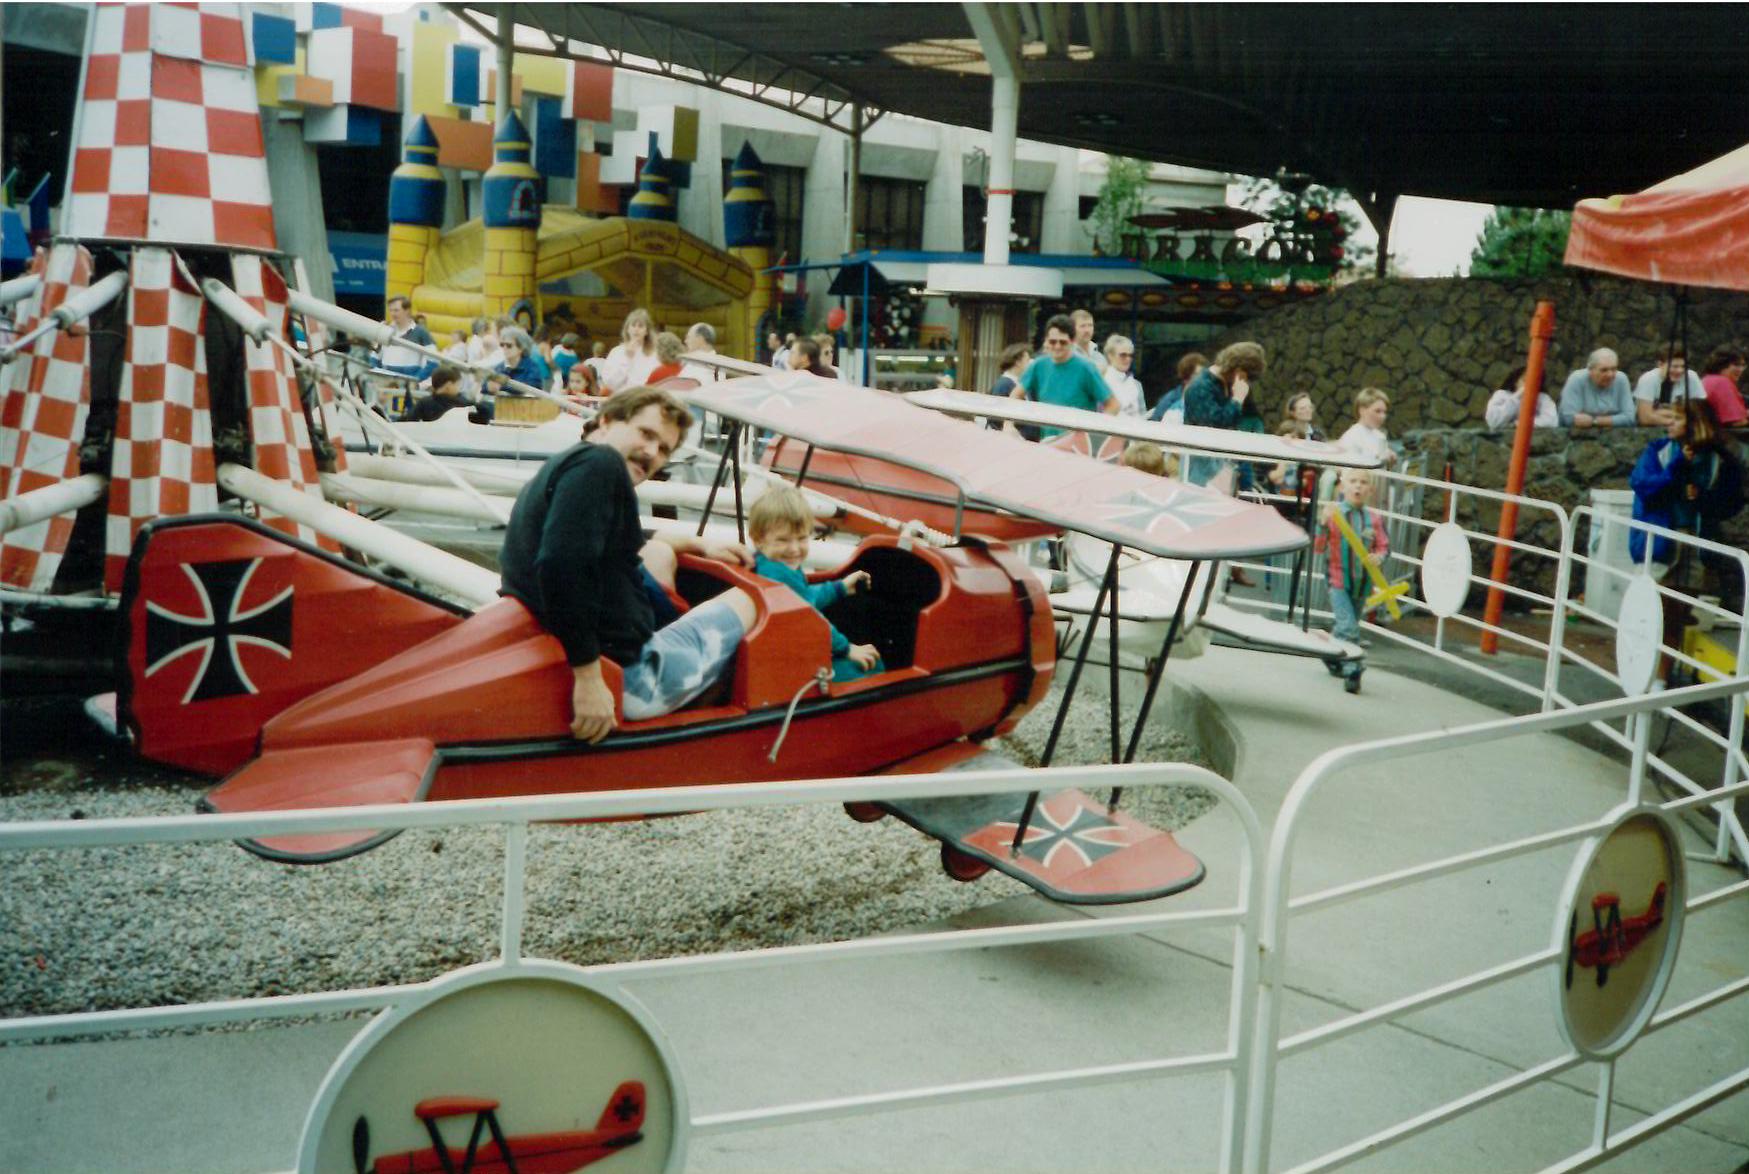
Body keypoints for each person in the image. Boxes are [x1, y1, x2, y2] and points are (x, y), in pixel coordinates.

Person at [498, 387, 758, 740]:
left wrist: (700, 544)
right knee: (750, 599)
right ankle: (709, 723)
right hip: (634, 678)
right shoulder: (602, 465)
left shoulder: (573, 463)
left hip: (580, 644)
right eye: (645, 433)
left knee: (660, 552)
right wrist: (589, 678)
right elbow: (561, 565)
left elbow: (615, 545)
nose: (652, 452)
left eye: (664, 448)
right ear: (606, 421)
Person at [1628, 398, 1745, 674]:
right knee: (1656, 611)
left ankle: (1662, 676)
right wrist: (1677, 467)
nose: (1669, 423)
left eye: (1676, 419)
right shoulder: (1659, 451)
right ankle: (1649, 672)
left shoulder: (1719, 460)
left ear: (1695, 425)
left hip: (1695, 540)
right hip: (1662, 542)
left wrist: (1702, 497)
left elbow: (1731, 501)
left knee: (1677, 613)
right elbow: (1645, 488)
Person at [748, 486, 882, 681]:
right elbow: (808, 618)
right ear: (759, 540)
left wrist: (840, 588)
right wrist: (846, 649)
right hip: (790, 668)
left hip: (780, 653)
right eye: (783, 540)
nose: (794, 549)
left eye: (801, 538)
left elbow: (804, 598)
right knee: (872, 665)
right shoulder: (777, 575)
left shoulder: (766, 563)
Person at [1313, 468, 1388, 694]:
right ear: (1342, 486)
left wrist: (1379, 556)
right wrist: (1323, 524)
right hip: (1338, 579)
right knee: (1348, 627)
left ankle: (1331, 656)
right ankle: (1352, 669)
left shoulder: (1374, 519)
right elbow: (1318, 547)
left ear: (1370, 489)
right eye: (1353, 481)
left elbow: (1383, 546)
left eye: (1363, 482)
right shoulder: (1333, 513)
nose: (1358, 486)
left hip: (1362, 583)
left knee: (1347, 626)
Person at [1013, 313, 1115, 438]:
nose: (1057, 346)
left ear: (1072, 342)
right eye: (1053, 342)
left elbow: (1113, 405)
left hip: (1078, 445)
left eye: (1063, 342)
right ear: (1046, 340)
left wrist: (1096, 435)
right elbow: (1015, 395)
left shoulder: (1086, 368)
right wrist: (1009, 425)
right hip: (1047, 442)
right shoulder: (1038, 365)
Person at [1182, 340, 1265, 486]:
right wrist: (1237, 400)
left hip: (1222, 465)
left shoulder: (1227, 385)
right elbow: (1214, 424)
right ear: (1239, 372)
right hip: (1201, 467)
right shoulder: (1200, 387)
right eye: (1247, 377)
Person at [1558, 347, 1634, 429]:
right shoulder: (1577, 379)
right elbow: (1569, 418)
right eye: (1604, 370)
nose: (1610, 375)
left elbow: (1630, 418)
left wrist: (1594, 421)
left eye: (1614, 369)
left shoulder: (1621, 379)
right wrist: (1614, 420)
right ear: (1590, 370)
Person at [1632, 347, 1706, 427]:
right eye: (1674, 366)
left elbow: (1701, 412)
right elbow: (1645, 418)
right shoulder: (1648, 379)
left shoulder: (1691, 377)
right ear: (1660, 364)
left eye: (1683, 366)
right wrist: (1680, 419)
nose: (1680, 370)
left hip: (1685, 430)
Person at [601, 308, 659, 393]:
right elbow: (610, 383)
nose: (636, 329)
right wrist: (627, 359)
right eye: (633, 325)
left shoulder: (655, 354)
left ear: (647, 331)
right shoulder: (616, 352)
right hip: (623, 400)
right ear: (627, 329)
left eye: (640, 326)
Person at [1484, 365, 1559, 430]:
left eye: (1534, 382)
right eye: (1525, 380)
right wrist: (1517, 397)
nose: (1529, 386)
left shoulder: (1543, 398)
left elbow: (1552, 421)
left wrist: (1518, 424)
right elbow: (1493, 421)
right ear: (1516, 381)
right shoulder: (1501, 395)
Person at [378, 295, 435, 381]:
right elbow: (374, 356)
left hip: (408, 383)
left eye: (396, 310)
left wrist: (416, 379)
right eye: (390, 310)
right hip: (385, 382)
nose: (392, 314)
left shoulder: (421, 332)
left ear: (407, 311)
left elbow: (433, 361)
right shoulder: (385, 330)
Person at [1338, 387, 1397, 468]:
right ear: (1362, 410)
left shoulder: (1380, 435)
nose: (1382, 416)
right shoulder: (1352, 437)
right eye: (1377, 411)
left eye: (1384, 412)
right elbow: (1350, 471)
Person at [1149, 352, 1207, 424]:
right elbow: (1154, 423)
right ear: (1187, 377)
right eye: (1198, 374)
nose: (1203, 378)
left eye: (1204, 374)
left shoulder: (1206, 397)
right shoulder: (1170, 400)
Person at [399, 365, 470, 422]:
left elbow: (410, 420)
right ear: (449, 385)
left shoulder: (424, 403)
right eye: (457, 385)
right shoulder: (463, 404)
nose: (458, 388)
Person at [488, 327, 545, 396]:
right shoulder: (499, 367)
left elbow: (530, 388)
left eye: (509, 345)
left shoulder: (532, 367)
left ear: (521, 348)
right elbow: (485, 388)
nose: (504, 348)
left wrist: (501, 386)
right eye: (502, 345)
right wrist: (489, 387)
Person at [1700, 345, 1748, 427]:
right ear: (1721, 364)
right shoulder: (1721, 383)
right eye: (1736, 365)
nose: (1741, 369)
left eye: (1743, 365)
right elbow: (1737, 422)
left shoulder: (1707, 379)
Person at [1102, 334, 1145, 418]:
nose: (1128, 359)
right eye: (1123, 355)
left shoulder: (1136, 385)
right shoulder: (1101, 382)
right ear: (1110, 355)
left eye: (1130, 355)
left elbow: (1143, 415)